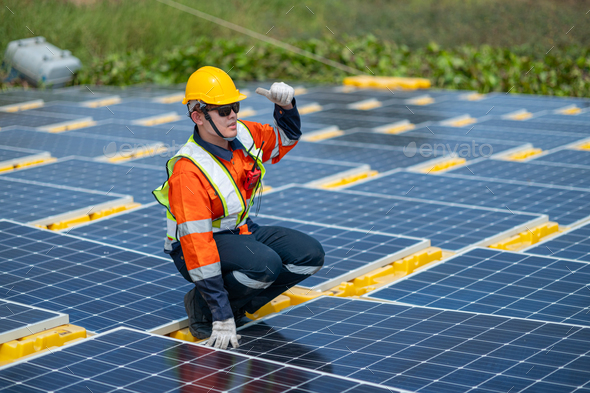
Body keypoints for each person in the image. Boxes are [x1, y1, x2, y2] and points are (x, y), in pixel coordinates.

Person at [153, 66, 325, 350]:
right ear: (198, 116)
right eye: (223, 110)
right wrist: (220, 315)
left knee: (309, 255)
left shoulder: (242, 135)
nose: (233, 114)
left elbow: (285, 139)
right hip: (194, 248)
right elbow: (198, 244)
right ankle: (203, 307)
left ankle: (237, 305)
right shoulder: (188, 170)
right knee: (264, 265)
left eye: (235, 106)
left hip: (240, 232)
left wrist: (286, 107)